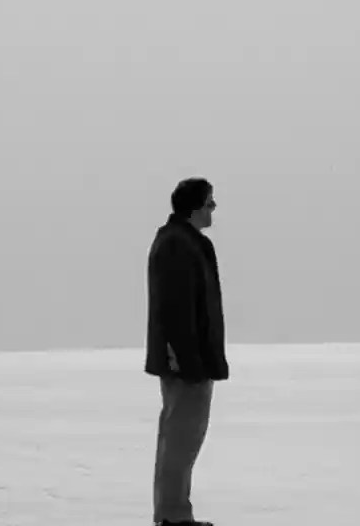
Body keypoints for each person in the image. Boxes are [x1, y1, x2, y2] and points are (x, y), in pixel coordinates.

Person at [144, 177, 229, 526]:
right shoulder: (178, 244)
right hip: (186, 362)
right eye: (210, 202)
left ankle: (174, 513)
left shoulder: (186, 242)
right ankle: (173, 516)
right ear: (194, 205)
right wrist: (185, 358)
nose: (214, 208)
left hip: (193, 359)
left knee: (181, 440)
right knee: (180, 440)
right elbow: (175, 308)